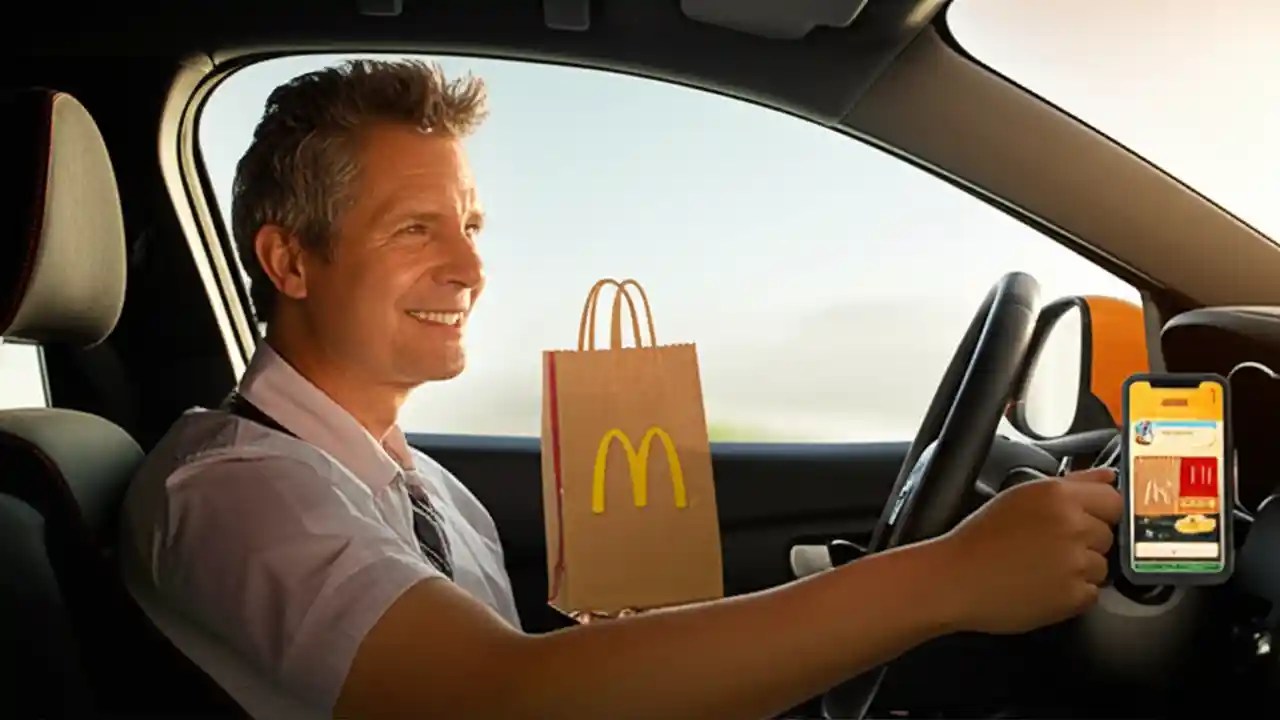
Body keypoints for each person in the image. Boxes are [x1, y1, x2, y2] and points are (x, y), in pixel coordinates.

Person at [119, 58, 1124, 720]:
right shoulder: (230, 490)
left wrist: (620, 646)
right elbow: (497, 702)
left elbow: (517, 669)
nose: (470, 270)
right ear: (289, 262)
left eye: (471, 227)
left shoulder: (424, 489)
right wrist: (946, 577)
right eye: (415, 228)